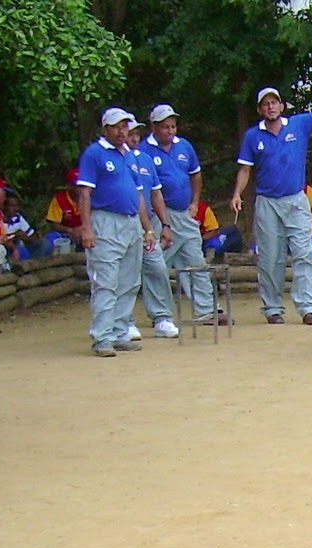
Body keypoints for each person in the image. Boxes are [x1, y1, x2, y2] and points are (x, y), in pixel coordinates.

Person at [230, 55, 312, 325]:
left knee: (304, 252)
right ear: (260, 109)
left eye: (274, 102)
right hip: (267, 202)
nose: (270, 107)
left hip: (296, 199)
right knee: (270, 257)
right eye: (265, 104)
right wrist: (237, 194)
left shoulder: (298, 123)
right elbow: (245, 169)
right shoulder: (253, 136)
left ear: (281, 105)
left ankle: (308, 307)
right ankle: (272, 308)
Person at [76, 107, 152, 357]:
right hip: (106, 221)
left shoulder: (129, 155)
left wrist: (147, 228)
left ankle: (120, 332)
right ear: (105, 129)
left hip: (130, 222)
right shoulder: (94, 153)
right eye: (117, 127)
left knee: (129, 281)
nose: (122, 131)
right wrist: (87, 227)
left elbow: (139, 194)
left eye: (125, 127)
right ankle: (102, 337)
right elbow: (85, 193)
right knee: (106, 281)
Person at [144, 103, 222, 326]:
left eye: (173, 126)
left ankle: (206, 309)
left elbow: (195, 174)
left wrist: (195, 202)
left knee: (195, 259)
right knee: (156, 264)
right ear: (154, 127)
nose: (170, 131)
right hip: (161, 215)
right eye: (165, 127)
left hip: (184, 213)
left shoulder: (184, 146)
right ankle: (160, 314)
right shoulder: (144, 150)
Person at [124, 124, 179, 339]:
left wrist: (165, 224)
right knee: (127, 273)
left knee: (157, 267)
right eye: (130, 134)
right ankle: (125, 321)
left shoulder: (146, 159)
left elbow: (156, 194)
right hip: (127, 222)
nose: (135, 138)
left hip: (148, 224)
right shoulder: (119, 159)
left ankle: (162, 317)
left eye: (137, 134)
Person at [44, 168, 84, 253]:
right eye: (77, 185)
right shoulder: (59, 199)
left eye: (82, 184)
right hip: (66, 233)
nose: (80, 188)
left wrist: (82, 229)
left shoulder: (90, 197)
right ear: (69, 186)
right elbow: (54, 224)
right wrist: (70, 230)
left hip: (86, 230)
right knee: (50, 239)